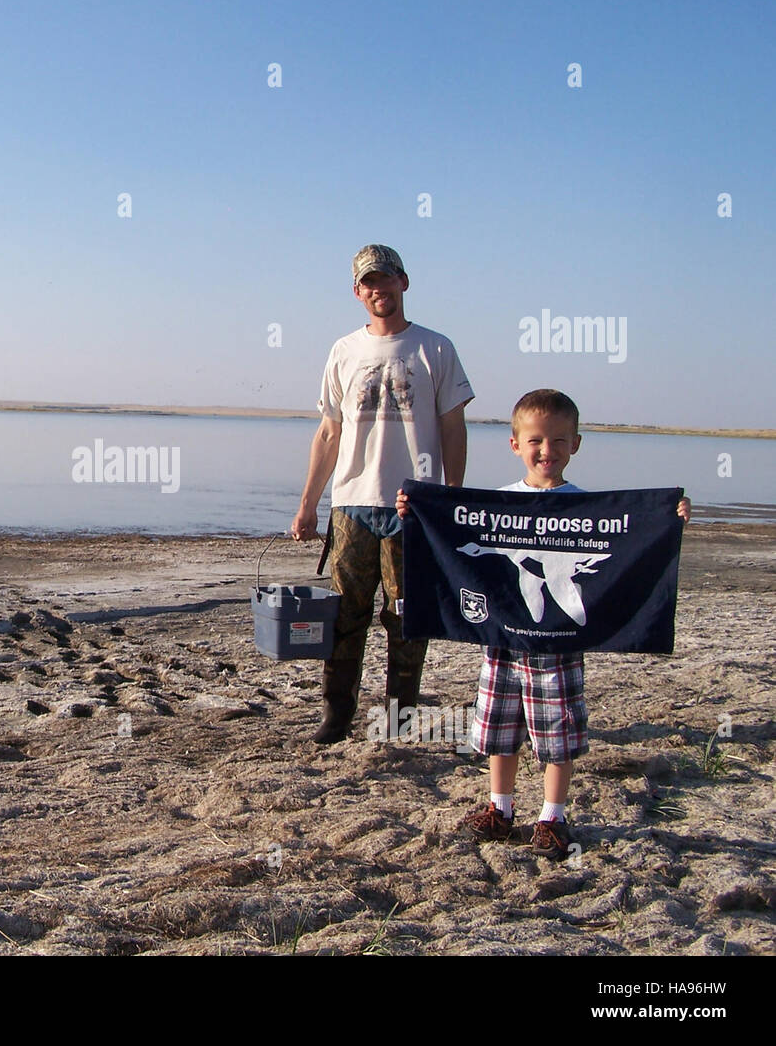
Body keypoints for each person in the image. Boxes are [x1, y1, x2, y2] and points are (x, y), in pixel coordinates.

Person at [396, 389, 692, 858]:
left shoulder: (586, 507)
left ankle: (552, 816)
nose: (546, 450)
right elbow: (455, 530)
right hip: (504, 639)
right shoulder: (498, 503)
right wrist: (415, 512)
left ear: (575, 444)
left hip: (559, 644)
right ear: (516, 445)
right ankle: (500, 807)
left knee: (557, 733)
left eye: (558, 440)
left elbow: (630, 534)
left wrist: (669, 518)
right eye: (535, 440)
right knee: (498, 728)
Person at [290, 245, 474, 744]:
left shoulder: (435, 348)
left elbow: (452, 427)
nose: (378, 290)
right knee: (345, 614)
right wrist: (309, 503)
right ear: (357, 292)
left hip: (414, 506)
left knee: (407, 618)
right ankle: (337, 714)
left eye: (386, 279)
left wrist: (451, 497)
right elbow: (329, 431)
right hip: (352, 504)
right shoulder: (343, 350)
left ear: (404, 282)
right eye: (368, 283)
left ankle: (400, 719)